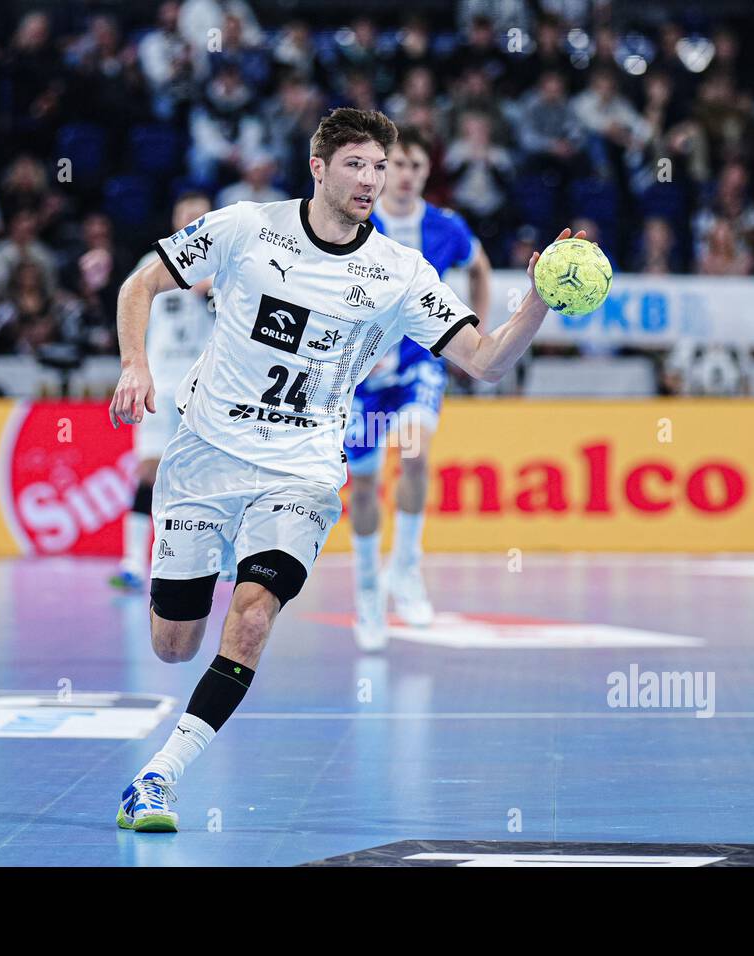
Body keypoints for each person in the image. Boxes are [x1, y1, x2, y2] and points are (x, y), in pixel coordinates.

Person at [107, 107, 581, 831]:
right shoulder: (245, 228)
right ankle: (182, 582)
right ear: (319, 168)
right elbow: (138, 285)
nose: (370, 179)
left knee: (255, 615)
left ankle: (157, 776)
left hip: (300, 469)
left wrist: (539, 301)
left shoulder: (396, 272)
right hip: (204, 459)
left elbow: (484, 360)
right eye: (356, 165)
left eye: (380, 167)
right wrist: (135, 363)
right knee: (174, 646)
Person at [345, 125, 490, 650]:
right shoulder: (359, 223)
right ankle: (367, 588)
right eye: (393, 166)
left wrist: (474, 336)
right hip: (358, 377)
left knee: (413, 454)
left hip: (416, 366)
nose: (403, 176)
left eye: (413, 166)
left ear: (428, 173)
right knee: (362, 484)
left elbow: (479, 267)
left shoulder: (446, 227)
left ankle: (406, 567)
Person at [111, 192, 215, 591]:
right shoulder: (149, 266)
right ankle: (132, 562)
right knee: (148, 471)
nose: (192, 221)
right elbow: (129, 314)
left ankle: (204, 561)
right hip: (159, 381)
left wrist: (206, 290)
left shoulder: (223, 266)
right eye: (186, 215)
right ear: (175, 219)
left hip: (204, 389)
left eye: (200, 216)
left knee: (203, 476)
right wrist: (132, 368)